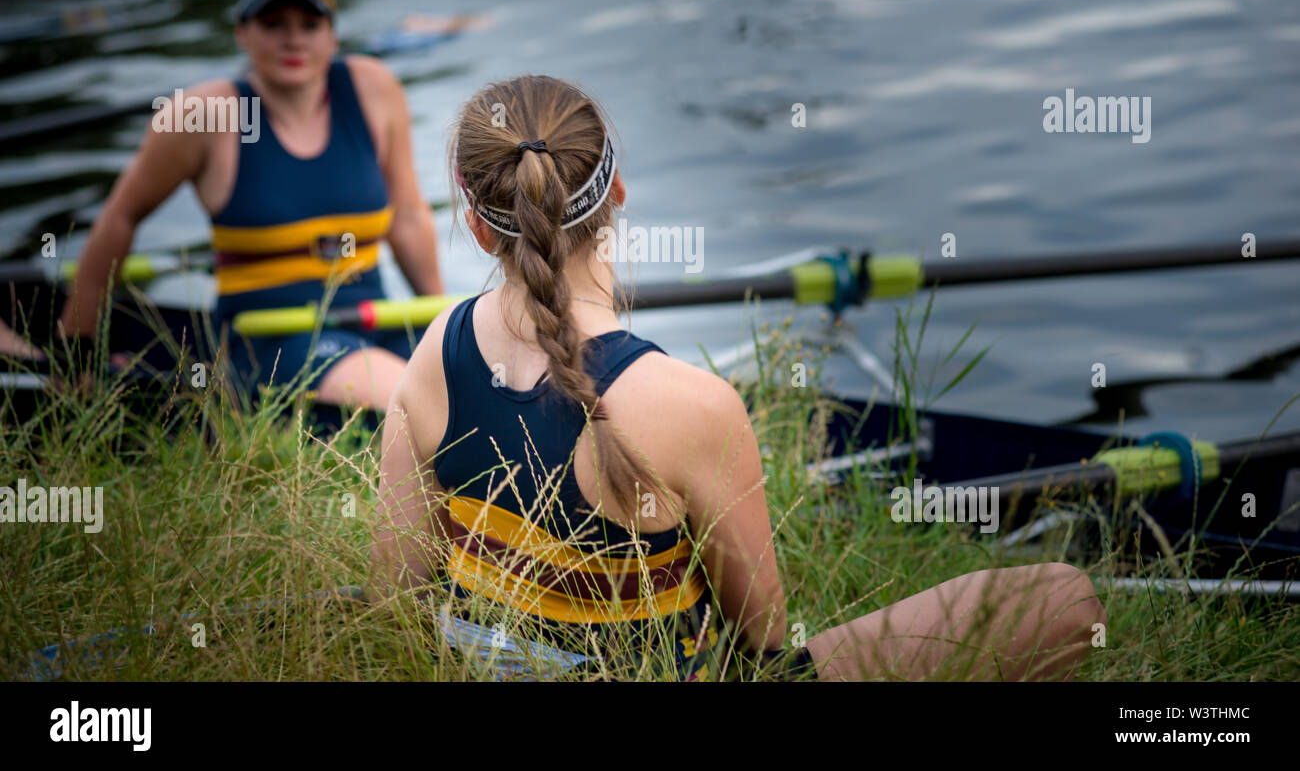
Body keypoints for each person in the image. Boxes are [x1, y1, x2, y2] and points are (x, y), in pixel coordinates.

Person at [370, 75, 1105, 680]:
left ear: (476, 226)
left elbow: (392, 600)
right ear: (617, 192)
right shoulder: (691, 405)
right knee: (1064, 597)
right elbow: (763, 634)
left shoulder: (438, 351)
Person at [57, 0, 444, 409]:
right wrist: (75, 351)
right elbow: (121, 218)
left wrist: (438, 320)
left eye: (309, 24)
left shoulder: (374, 88)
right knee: (422, 403)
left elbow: (411, 217)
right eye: (273, 23)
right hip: (268, 341)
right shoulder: (200, 114)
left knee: (476, 379)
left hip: (378, 319)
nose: (294, 39)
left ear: (332, 36)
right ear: (243, 34)